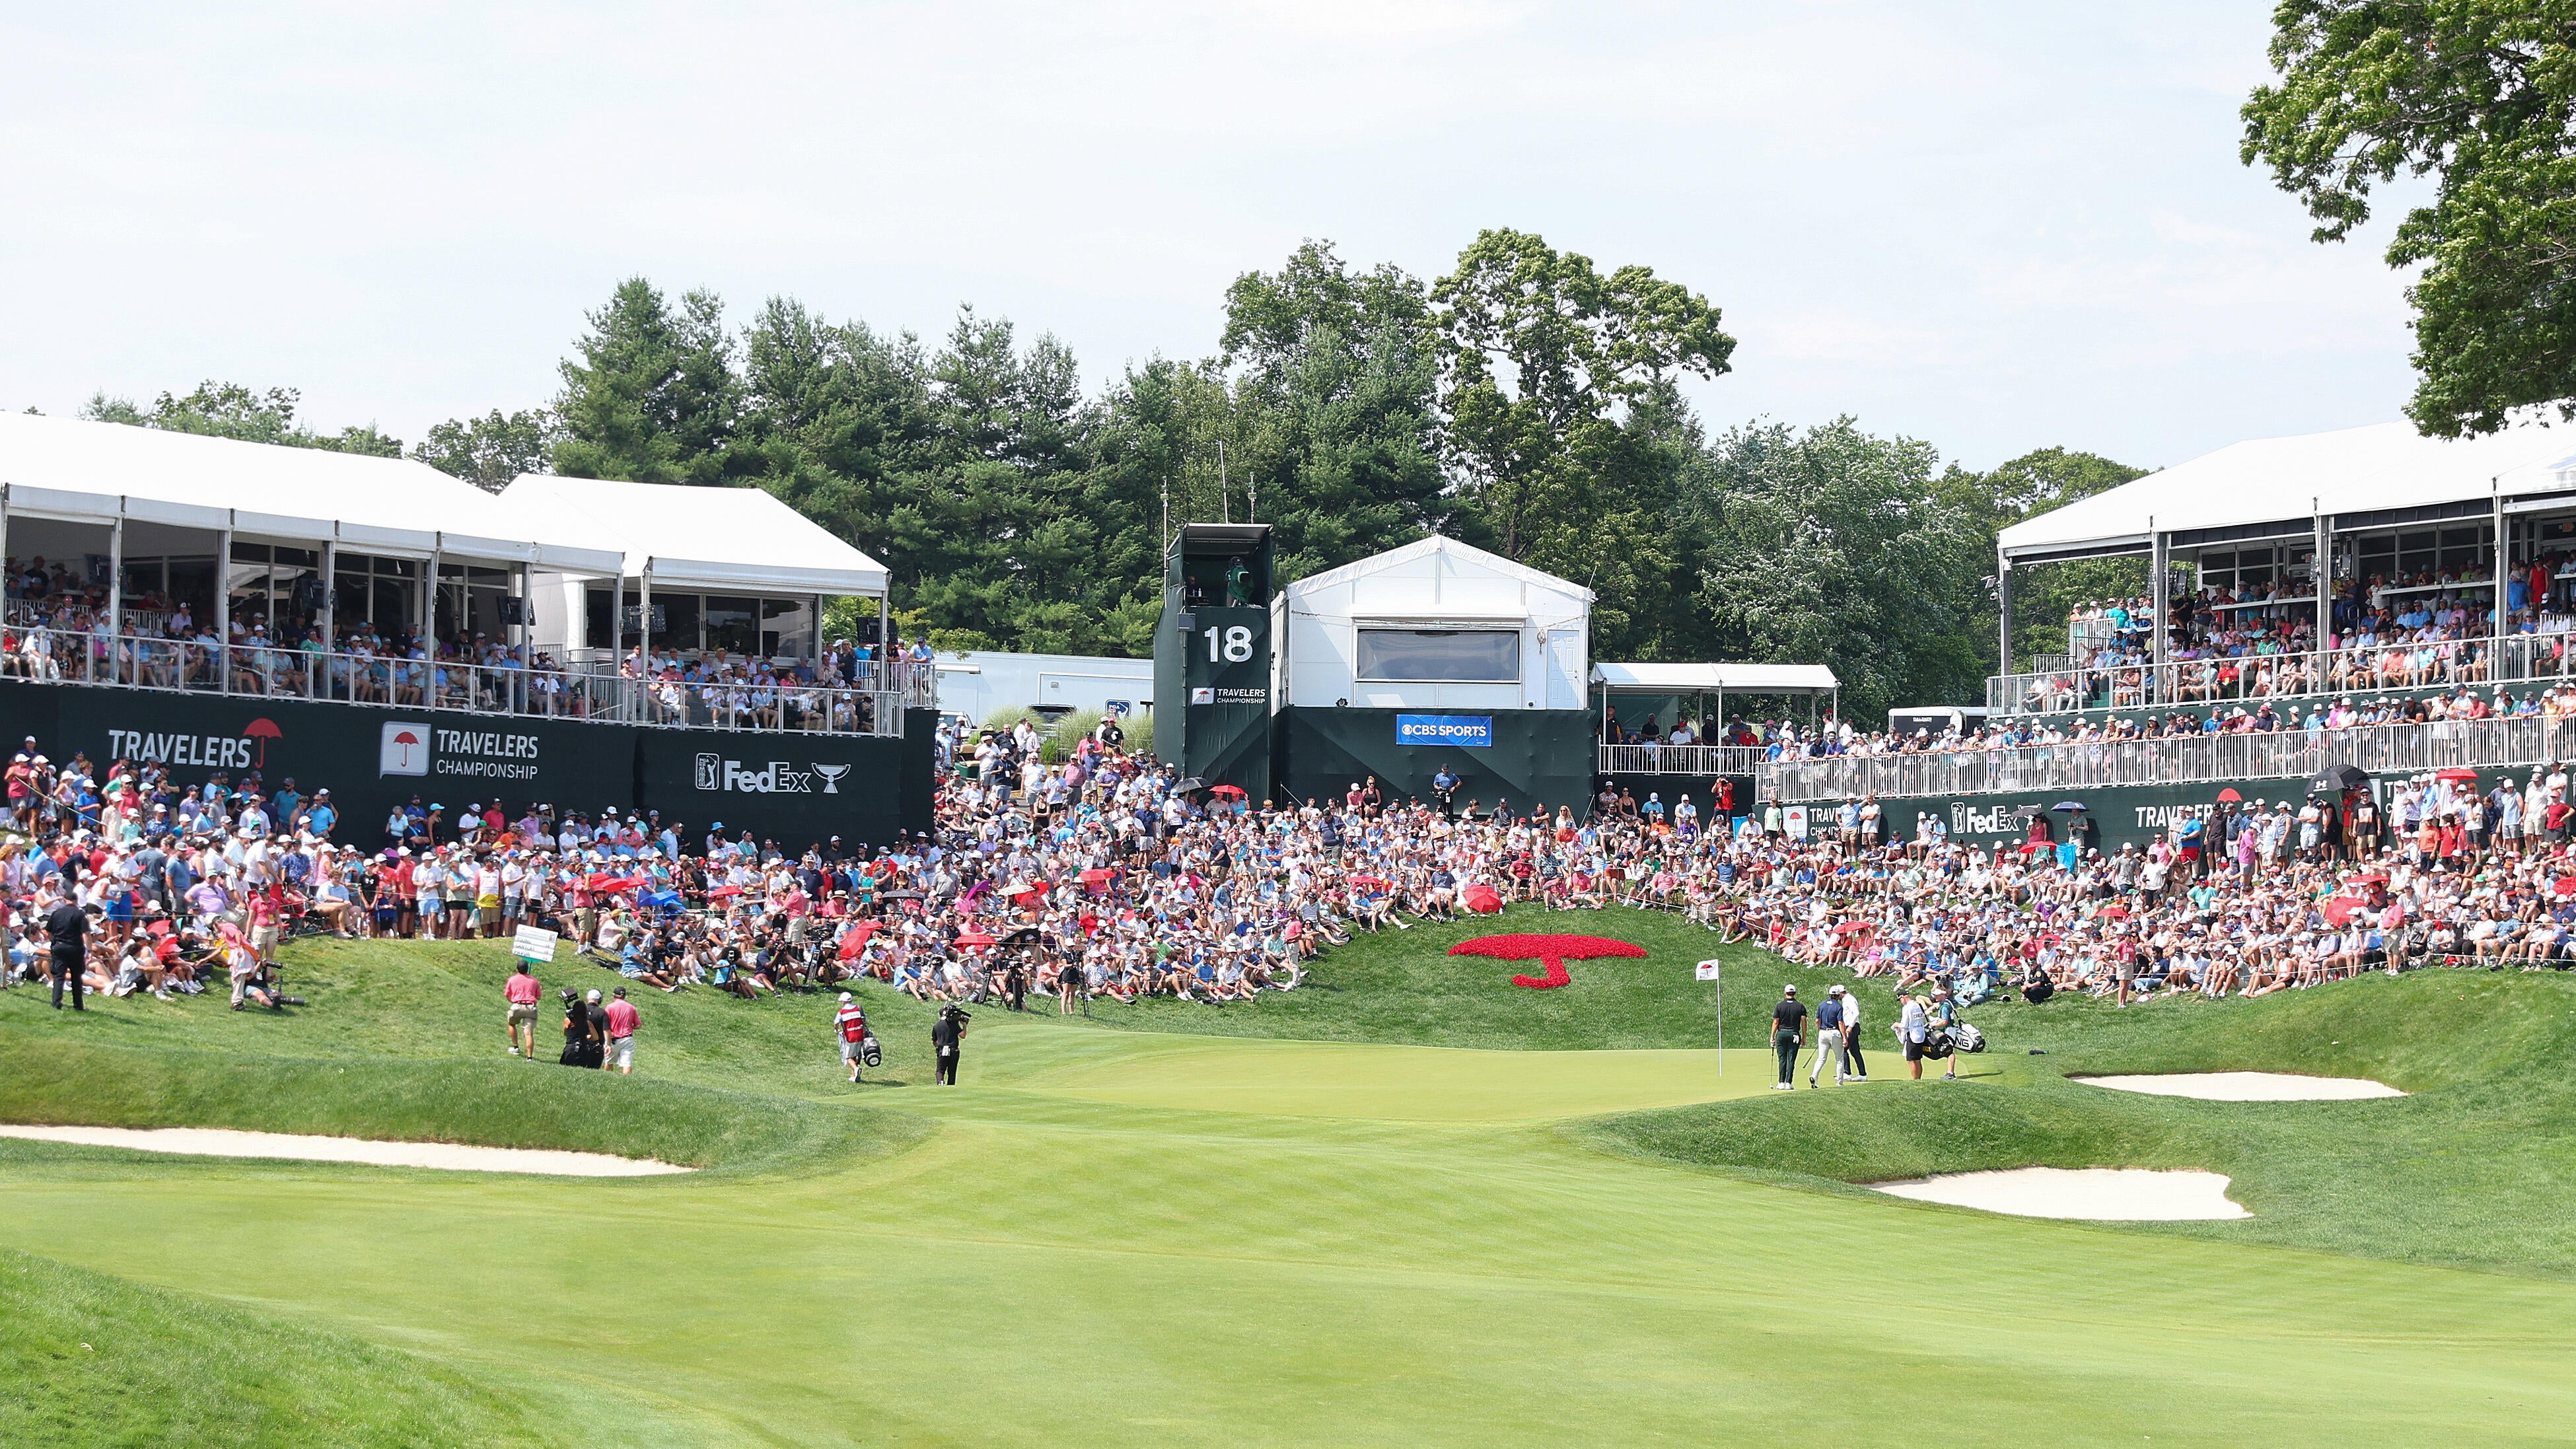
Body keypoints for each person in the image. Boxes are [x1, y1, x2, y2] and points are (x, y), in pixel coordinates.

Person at [45, 897, 89, 1011]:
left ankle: (56, 1003)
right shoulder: (80, 914)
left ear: (66, 901)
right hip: (75, 948)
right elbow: (86, 934)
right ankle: (78, 1006)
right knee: (76, 977)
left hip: (59, 947)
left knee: (59, 976)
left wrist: (54, 942)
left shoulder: (56, 913)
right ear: (75, 901)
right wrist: (89, 950)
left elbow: (48, 931)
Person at [1808, 981, 1845, 1086]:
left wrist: (1819, 1030)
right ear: (1838, 995)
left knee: (1821, 1058)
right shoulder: (1839, 1007)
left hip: (1823, 1032)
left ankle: (1814, 1076)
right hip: (1834, 1033)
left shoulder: (1822, 1005)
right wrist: (1845, 1037)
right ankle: (1839, 1083)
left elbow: (1817, 1020)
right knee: (1839, 1059)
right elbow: (1840, 1022)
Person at [504, 959, 542, 1058]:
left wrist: (512, 1000)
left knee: (511, 1023)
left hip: (517, 1006)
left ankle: (516, 1047)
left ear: (517, 969)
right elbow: (538, 997)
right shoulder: (534, 981)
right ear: (527, 969)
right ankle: (529, 1057)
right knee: (528, 1033)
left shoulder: (512, 979)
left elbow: (507, 994)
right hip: (530, 1007)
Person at [1770, 983, 1805, 1090]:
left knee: (1782, 1059)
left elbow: (1776, 1022)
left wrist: (1772, 1036)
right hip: (1794, 1034)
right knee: (1791, 1059)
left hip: (1782, 1034)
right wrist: (1804, 1037)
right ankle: (1788, 1082)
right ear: (1794, 993)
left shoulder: (1780, 1006)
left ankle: (1781, 1082)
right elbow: (1804, 1022)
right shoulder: (1800, 1006)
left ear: (1785, 993)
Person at [1834, 983, 1867, 1082]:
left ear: (1840, 993)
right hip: (1851, 1027)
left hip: (1852, 1027)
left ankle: (1847, 1073)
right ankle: (1863, 1074)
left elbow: (1856, 1013)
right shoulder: (1846, 1000)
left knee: (1843, 1048)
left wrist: (1850, 1027)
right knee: (1855, 1051)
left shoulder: (1849, 999)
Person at [603, 985, 639, 1075]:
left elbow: (605, 1024)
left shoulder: (609, 1007)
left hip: (613, 1039)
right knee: (627, 1063)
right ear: (625, 996)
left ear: (614, 995)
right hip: (627, 1039)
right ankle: (627, 1082)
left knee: (609, 1062)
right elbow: (638, 1025)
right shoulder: (631, 1008)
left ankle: (607, 1079)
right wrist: (631, 1026)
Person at [836, 990, 870, 1082]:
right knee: (855, 1056)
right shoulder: (858, 1009)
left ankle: (856, 1069)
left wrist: (836, 1029)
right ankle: (854, 1076)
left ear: (844, 1001)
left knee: (849, 1058)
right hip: (861, 1036)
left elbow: (836, 1023)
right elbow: (865, 1021)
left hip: (851, 1037)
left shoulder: (842, 1012)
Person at [931, 1003, 968, 1085]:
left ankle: (940, 1082)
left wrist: (938, 1047)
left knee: (940, 1070)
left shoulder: (936, 1026)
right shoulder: (953, 1024)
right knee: (952, 1071)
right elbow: (963, 1036)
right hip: (954, 1050)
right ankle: (950, 1086)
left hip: (942, 1049)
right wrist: (965, 1026)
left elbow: (934, 1041)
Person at [1900, 992, 1933, 1080]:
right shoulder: (1918, 1005)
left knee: (1911, 1060)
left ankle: (1915, 1080)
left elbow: (1904, 1025)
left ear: (1903, 998)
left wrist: (1896, 1025)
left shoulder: (1906, 1008)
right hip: (1921, 1035)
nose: (1901, 1002)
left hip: (1912, 1036)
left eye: (1900, 1000)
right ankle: (1918, 1079)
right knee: (1918, 1060)